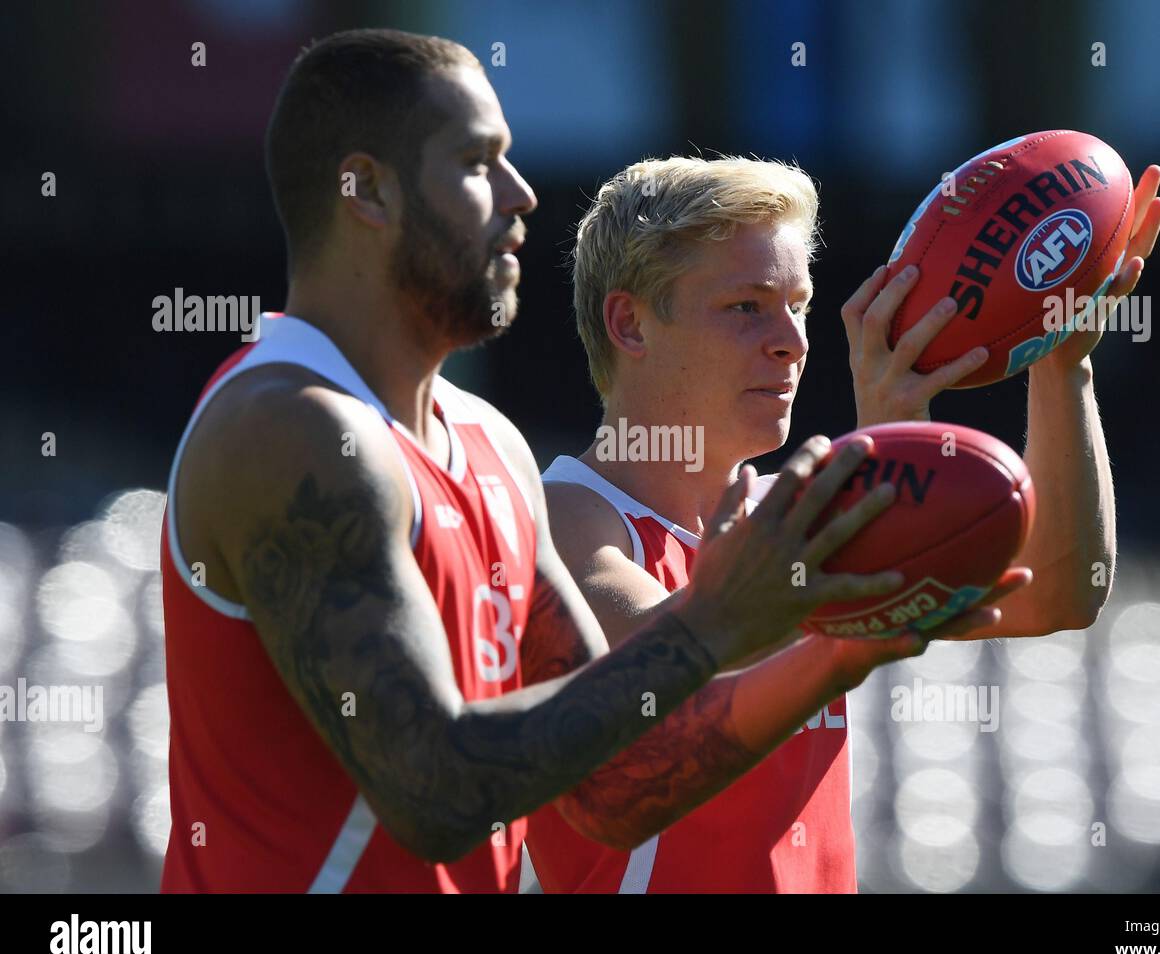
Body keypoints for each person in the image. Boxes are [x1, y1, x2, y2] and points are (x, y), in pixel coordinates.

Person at [159, 30, 928, 893]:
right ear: (366, 189)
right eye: (478, 162)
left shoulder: (492, 444)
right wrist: (718, 621)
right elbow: (435, 791)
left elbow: (611, 786)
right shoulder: (287, 428)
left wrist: (839, 644)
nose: (521, 195)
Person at [523, 154, 1160, 892]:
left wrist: (1060, 362)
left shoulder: (789, 516)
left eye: (797, 304)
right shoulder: (563, 516)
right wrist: (882, 478)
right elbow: (678, 664)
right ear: (630, 323)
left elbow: (1061, 590)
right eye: (746, 307)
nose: (792, 340)